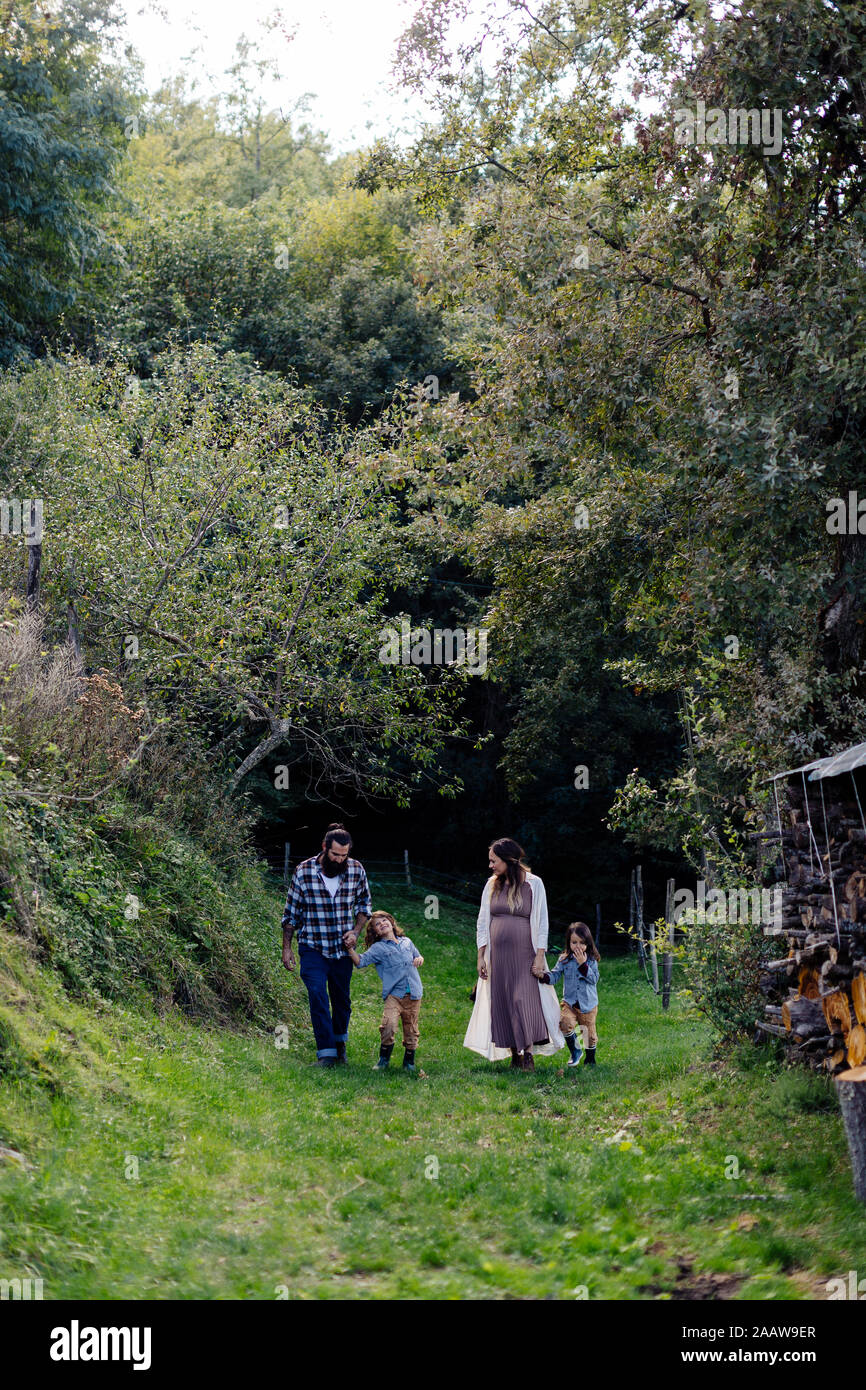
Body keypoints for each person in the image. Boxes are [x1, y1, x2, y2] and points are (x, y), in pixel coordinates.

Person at [464, 837, 563, 1070]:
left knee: (523, 1000)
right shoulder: (491, 885)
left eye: (493, 861)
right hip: (497, 955)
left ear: (508, 860)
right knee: (503, 1002)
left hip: (525, 953)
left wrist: (540, 955)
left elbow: (542, 922)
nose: (490, 866)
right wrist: (481, 956)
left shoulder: (534, 884)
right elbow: (482, 921)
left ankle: (528, 1053)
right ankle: (513, 1055)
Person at [280, 823, 371, 1067]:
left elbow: (364, 906)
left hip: (342, 949)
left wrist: (355, 930)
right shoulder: (304, 871)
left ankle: (340, 1048)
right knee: (318, 995)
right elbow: (291, 914)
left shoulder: (356, 869)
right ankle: (326, 1053)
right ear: (324, 847)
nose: (340, 860)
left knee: (341, 1001)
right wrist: (286, 948)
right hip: (313, 947)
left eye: (344, 855)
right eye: (335, 854)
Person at [344, 910, 424, 1072]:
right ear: (375, 932)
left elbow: (418, 955)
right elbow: (360, 962)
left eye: (384, 920)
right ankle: (383, 1060)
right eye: (377, 925)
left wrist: (419, 959)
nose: (382, 924)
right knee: (389, 1025)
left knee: (411, 1029)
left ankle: (409, 1062)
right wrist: (350, 950)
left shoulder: (407, 942)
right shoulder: (378, 948)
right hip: (394, 995)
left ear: (391, 922)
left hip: (414, 994)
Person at [542, 922, 601, 1067]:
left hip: (588, 1005)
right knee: (565, 1023)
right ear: (569, 942)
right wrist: (543, 976)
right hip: (570, 1003)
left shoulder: (591, 960)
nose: (578, 946)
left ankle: (590, 1059)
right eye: (574, 942)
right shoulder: (564, 959)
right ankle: (575, 1050)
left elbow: (594, 979)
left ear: (588, 943)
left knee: (589, 1035)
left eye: (582, 943)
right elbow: (555, 975)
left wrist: (583, 964)